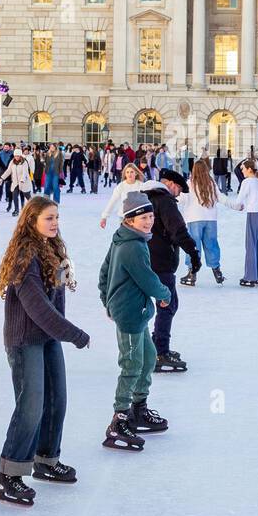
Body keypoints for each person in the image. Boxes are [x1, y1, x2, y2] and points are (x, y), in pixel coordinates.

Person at [0, 195, 89, 506]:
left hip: (48, 337)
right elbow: (36, 307)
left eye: (57, 217)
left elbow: (56, 302)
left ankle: (46, 460)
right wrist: (73, 333)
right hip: (25, 339)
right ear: (31, 221)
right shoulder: (25, 254)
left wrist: (60, 333)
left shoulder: (52, 249)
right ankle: (8, 475)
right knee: (30, 405)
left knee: (57, 399)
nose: (55, 223)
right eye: (48, 218)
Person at [98, 191, 173, 451]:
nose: (148, 221)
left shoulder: (124, 239)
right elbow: (148, 279)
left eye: (151, 216)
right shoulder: (132, 246)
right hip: (130, 314)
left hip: (136, 312)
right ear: (129, 219)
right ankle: (119, 419)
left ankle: (138, 408)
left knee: (148, 358)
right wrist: (165, 295)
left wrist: (106, 299)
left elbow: (104, 272)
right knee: (132, 364)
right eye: (143, 217)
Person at [142, 170, 201, 368]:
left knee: (162, 304)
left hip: (144, 259)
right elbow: (177, 230)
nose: (177, 194)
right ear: (168, 183)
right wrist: (193, 253)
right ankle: (160, 352)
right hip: (161, 262)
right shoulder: (164, 200)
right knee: (168, 304)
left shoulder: (145, 197)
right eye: (177, 188)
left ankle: (155, 345)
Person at [180, 158, 232, 286]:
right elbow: (221, 197)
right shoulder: (211, 183)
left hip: (194, 219)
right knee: (212, 245)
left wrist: (169, 198)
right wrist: (236, 205)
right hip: (210, 219)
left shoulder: (190, 183)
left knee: (194, 246)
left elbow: (182, 199)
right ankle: (217, 272)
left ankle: (192, 274)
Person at [232, 159, 258, 288]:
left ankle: (250, 277)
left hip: (253, 214)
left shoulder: (247, 182)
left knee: (251, 246)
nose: (242, 171)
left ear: (250, 169)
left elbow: (239, 201)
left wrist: (234, 206)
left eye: (243, 169)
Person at [98, 163, 141, 230]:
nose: (129, 174)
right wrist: (104, 217)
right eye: (127, 172)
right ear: (125, 174)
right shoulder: (121, 186)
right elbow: (112, 201)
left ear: (136, 173)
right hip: (124, 218)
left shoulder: (141, 185)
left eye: (132, 172)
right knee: (124, 239)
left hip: (138, 218)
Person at [3, 149, 33, 216]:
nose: (16, 157)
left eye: (18, 156)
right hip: (15, 182)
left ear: (20, 156)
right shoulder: (12, 162)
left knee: (27, 195)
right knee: (15, 195)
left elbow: (25, 172)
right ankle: (16, 210)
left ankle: (34, 206)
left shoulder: (24, 162)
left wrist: (22, 180)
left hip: (24, 182)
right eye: (15, 156)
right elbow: (8, 171)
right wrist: (2, 178)